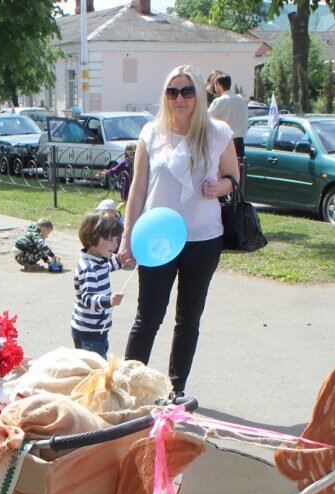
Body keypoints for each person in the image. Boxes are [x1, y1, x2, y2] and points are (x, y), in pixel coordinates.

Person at [121, 65, 240, 405]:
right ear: (165, 96)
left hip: (203, 239)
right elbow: (138, 189)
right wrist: (128, 234)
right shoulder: (151, 133)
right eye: (172, 92)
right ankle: (129, 387)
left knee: (188, 318)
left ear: (199, 96)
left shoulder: (218, 133)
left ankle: (176, 389)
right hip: (157, 240)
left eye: (187, 91)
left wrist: (220, 186)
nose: (180, 98)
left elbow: (233, 177)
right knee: (148, 316)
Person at [71, 210, 125, 356]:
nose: (114, 245)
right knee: (95, 371)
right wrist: (109, 300)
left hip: (95, 328)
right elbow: (88, 299)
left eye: (116, 240)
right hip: (89, 332)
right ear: (92, 237)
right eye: (110, 240)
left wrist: (120, 260)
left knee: (95, 367)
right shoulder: (88, 268)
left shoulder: (98, 260)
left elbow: (106, 267)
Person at [208, 74, 250, 160]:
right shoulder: (241, 100)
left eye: (215, 85)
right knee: (239, 170)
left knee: (225, 171)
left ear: (218, 85)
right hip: (239, 143)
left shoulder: (219, 101)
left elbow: (207, 119)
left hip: (225, 143)